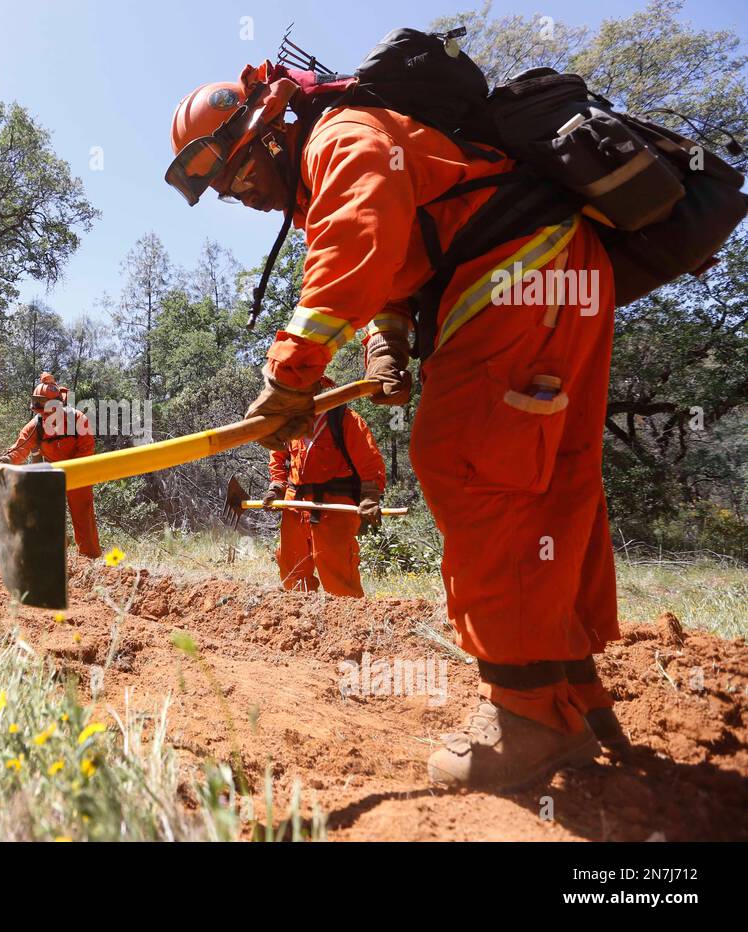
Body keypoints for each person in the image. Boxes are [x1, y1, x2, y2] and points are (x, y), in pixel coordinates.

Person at [167, 51, 624, 788]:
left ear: (273, 134)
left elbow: (358, 247)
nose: (240, 196)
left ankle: (526, 712)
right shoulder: (360, 143)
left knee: (469, 464)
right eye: (225, 190)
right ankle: (570, 686)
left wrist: (290, 376)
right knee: (549, 480)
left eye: (240, 174)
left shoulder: (338, 137)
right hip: (563, 270)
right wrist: (391, 342)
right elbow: (403, 256)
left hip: (513, 269)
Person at [264, 380, 386, 596]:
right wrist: (277, 487)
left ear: (319, 387)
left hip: (335, 507)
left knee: (338, 574)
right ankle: (298, 622)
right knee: (293, 571)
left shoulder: (344, 419)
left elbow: (370, 462)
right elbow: (278, 456)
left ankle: (348, 623)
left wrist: (369, 497)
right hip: (295, 505)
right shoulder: (288, 422)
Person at [0, 373, 101, 559]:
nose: (47, 417)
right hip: (52, 475)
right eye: (43, 413)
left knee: (83, 514)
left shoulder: (78, 420)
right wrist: (7, 460)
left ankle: (90, 558)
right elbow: (21, 448)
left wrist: (72, 469)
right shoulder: (35, 427)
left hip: (79, 472)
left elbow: (87, 449)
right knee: (45, 513)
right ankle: (55, 554)